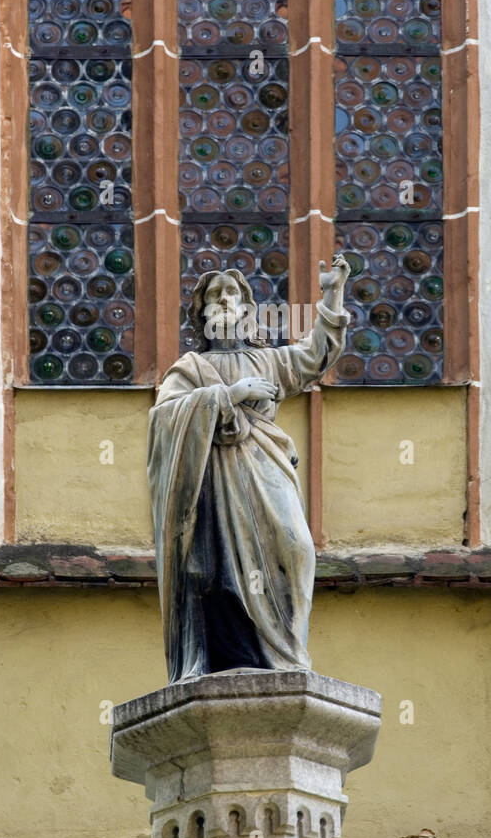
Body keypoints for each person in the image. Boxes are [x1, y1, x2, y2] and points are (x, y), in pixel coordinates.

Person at [148, 254, 351, 683]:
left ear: (245, 310)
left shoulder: (270, 361)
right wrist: (229, 394)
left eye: (233, 294)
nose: (224, 300)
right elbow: (163, 419)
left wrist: (332, 294)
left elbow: (316, 356)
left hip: (266, 468)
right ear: (202, 313)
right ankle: (239, 653)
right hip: (216, 485)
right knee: (221, 575)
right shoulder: (189, 369)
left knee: (297, 548)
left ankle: (288, 654)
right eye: (214, 296)